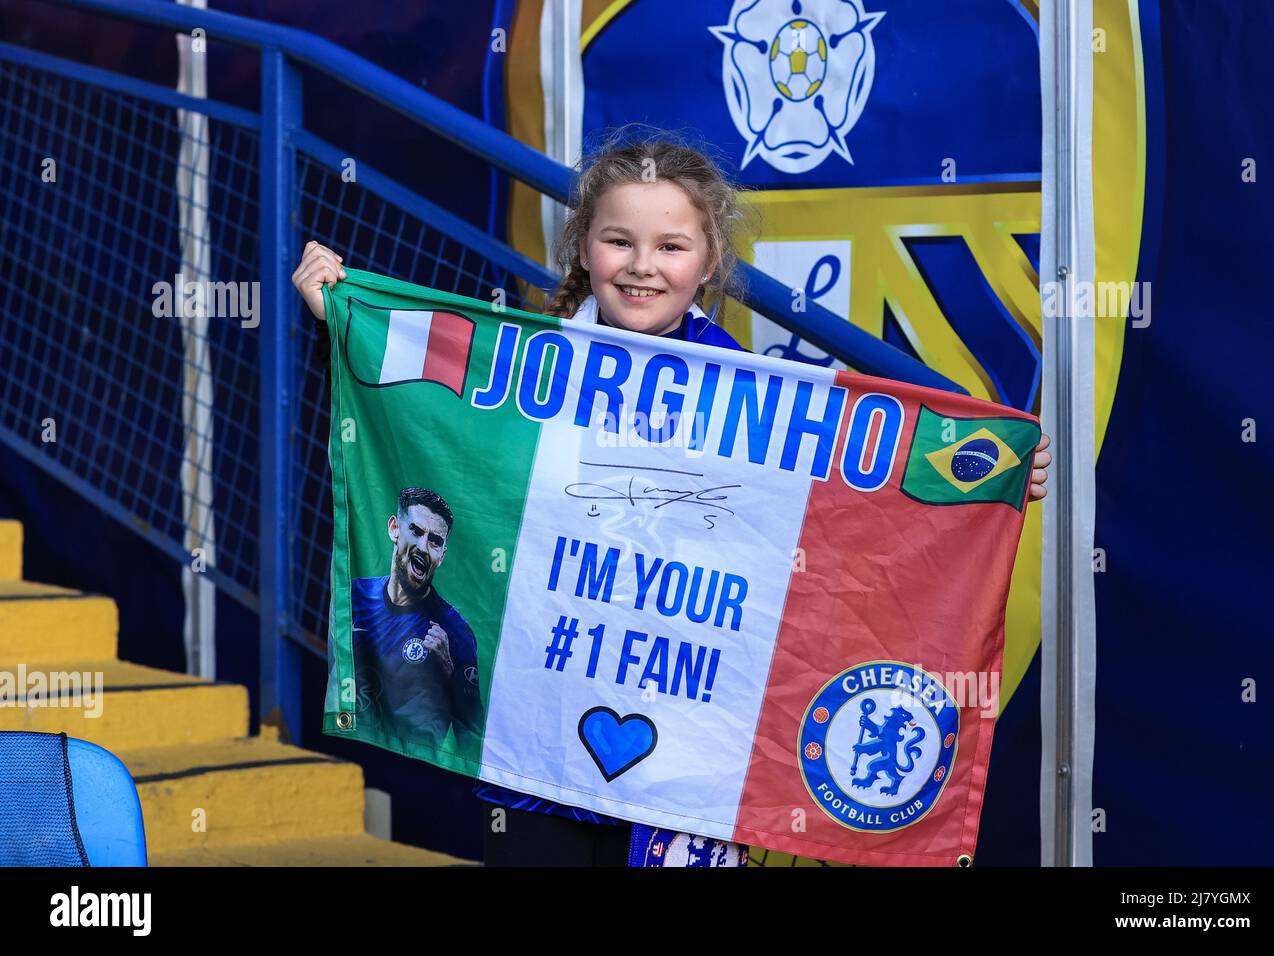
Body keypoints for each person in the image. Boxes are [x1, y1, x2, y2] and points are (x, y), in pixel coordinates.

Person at [291, 126, 1052, 867]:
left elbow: (860, 494)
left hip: (690, 767)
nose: (640, 266)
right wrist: (343, 314)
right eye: (618, 241)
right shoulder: (523, 369)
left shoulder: (757, 395)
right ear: (583, 248)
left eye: (670, 246)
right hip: (536, 751)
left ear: (709, 259)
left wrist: (987, 476)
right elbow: (433, 412)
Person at [348, 487, 484, 750]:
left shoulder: (454, 631)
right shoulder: (353, 597)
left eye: (435, 540)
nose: (423, 547)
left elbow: (473, 737)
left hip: (409, 775)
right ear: (394, 529)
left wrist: (449, 671)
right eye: (416, 531)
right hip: (350, 754)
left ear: (442, 555)